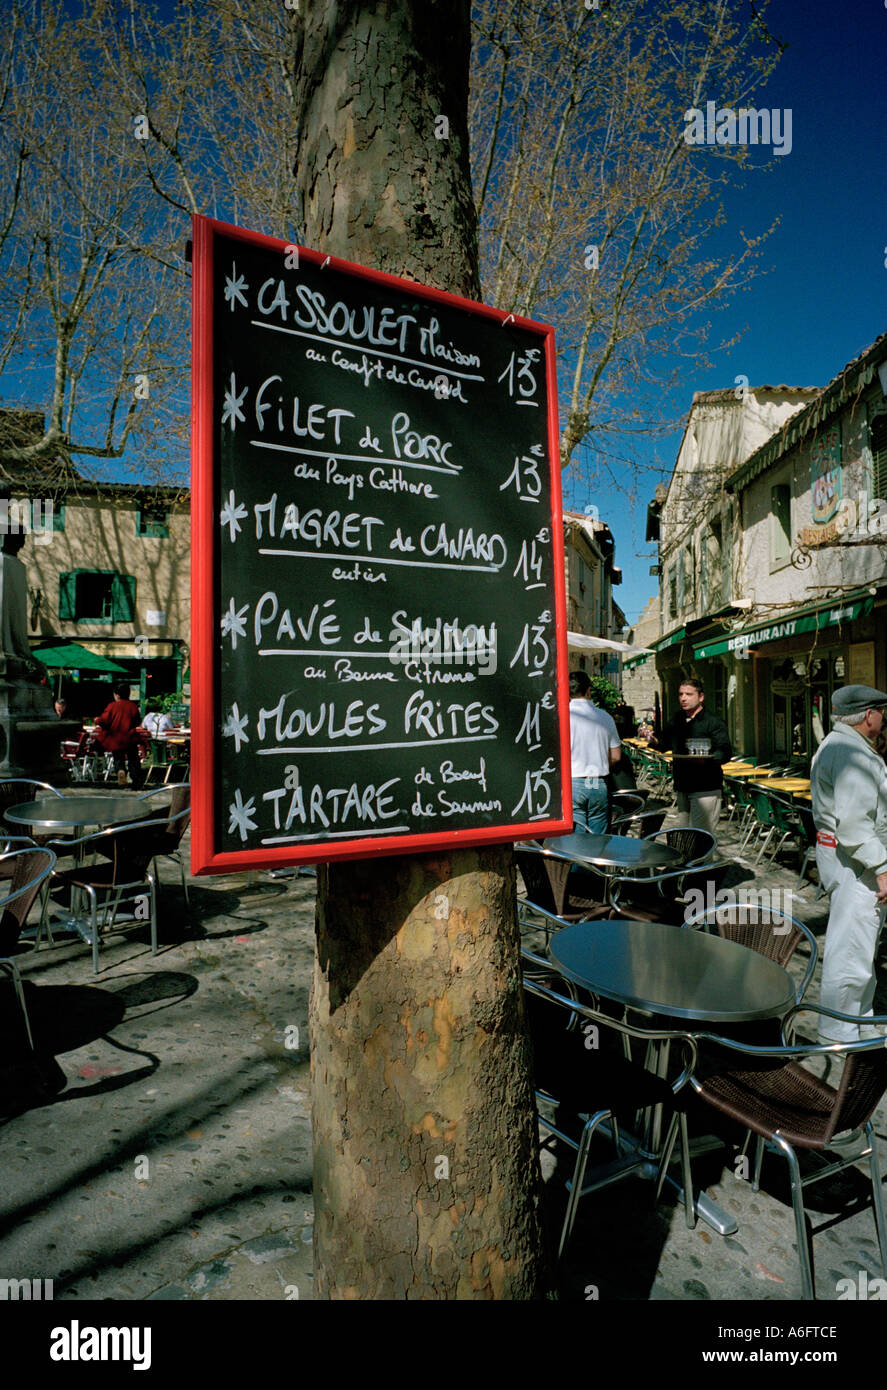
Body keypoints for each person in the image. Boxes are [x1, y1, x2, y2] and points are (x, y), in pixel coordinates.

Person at [810, 684, 887, 1043]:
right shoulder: (850, 753)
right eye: (880, 712)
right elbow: (855, 827)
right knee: (852, 949)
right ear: (868, 715)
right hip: (856, 864)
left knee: (856, 947)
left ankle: (853, 1024)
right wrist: (882, 868)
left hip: (845, 859)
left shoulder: (838, 745)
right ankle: (840, 1033)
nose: (883, 719)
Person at [647, 676, 731, 835]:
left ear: (701, 697)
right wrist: (652, 739)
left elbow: (725, 751)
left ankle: (704, 861)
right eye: (681, 694)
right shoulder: (677, 719)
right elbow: (664, 743)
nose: (683, 698)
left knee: (700, 839)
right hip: (682, 786)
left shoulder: (713, 722)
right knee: (685, 838)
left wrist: (708, 759)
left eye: (688, 694)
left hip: (705, 788)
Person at [569, 670, 621, 832]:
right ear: (588, 690)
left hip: (572, 781)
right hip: (597, 782)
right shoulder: (605, 717)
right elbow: (616, 756)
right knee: (597, 842)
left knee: (576, 842)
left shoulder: (561, 716)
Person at [95, 684, 145, 789]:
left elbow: (104, 720)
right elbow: (137, 722)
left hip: (115, 738)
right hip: (130, 738)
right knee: (133, 759)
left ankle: (121, 770)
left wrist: (97, 720)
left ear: (117, 695)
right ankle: (136, 779)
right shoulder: (133, 706)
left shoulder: (112, 706)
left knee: (118, 758)